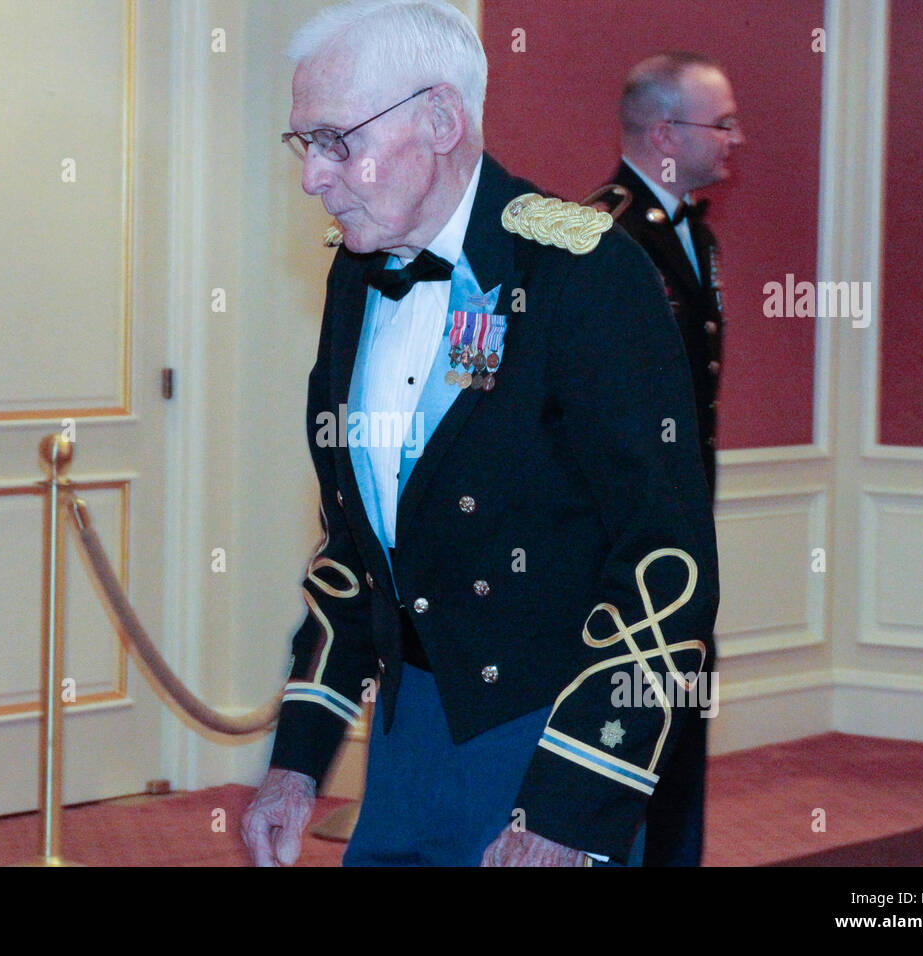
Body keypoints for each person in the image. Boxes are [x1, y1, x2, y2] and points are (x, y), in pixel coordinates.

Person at [242, 0, 718, 867]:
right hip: (407, 731)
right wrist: (299, 757)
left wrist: (575, 799)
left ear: (441, 120)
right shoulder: (356, 274)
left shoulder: (587, 264)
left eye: (336, 140)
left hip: (547, 731)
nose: (313, 176)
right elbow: (353, 541)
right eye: (302, 144)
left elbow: (666, 563)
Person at [590, 52, 743, 867]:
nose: (735, 139)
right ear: (663, 133)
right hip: (620, 559)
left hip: (683, 545)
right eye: (721, 124)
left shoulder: (700, 238)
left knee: (682, 738)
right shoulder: (600, 237)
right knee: (622, 746)